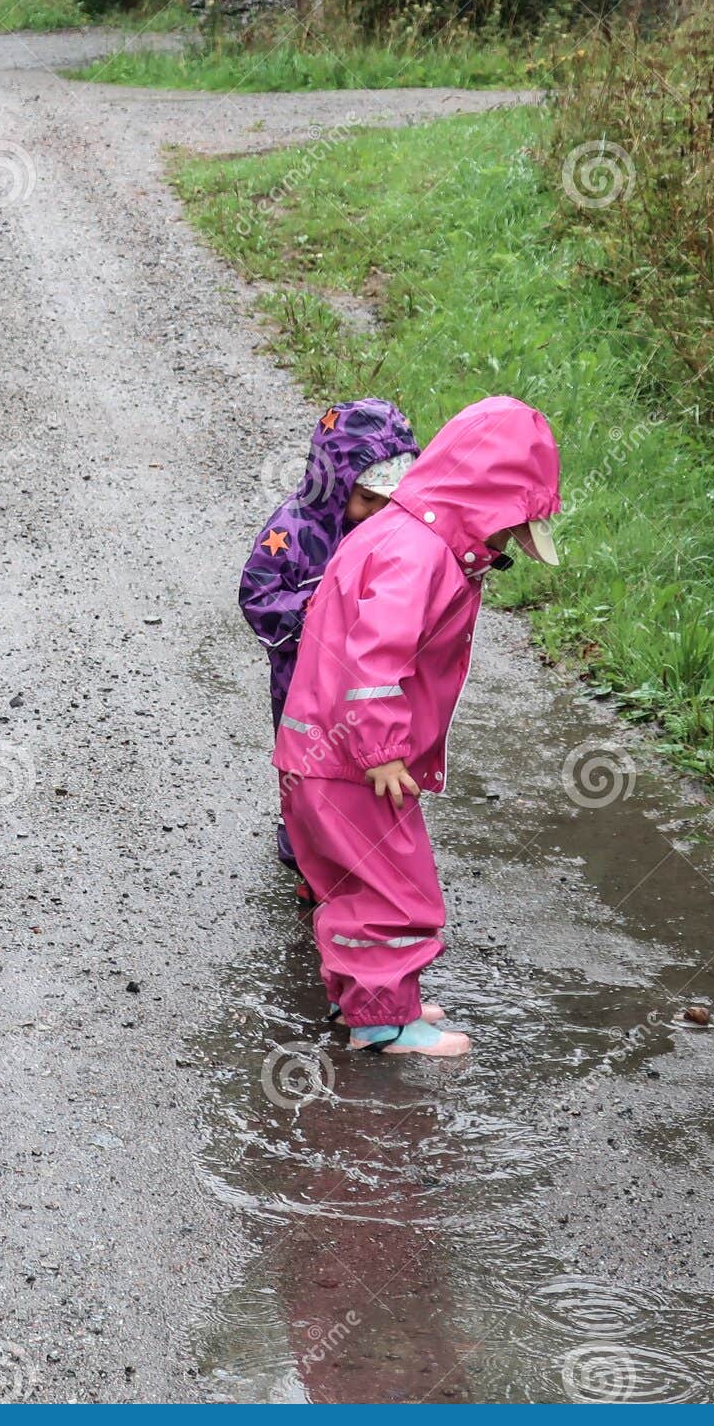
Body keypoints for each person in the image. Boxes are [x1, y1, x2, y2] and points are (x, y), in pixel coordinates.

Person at [273, 396, 563, 1058]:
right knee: (397, 894)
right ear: (485, 503)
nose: (499, 548)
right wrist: (380, 747)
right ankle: (386, 1023)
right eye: (503, 532)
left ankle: (371, 1001)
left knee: (350, 887)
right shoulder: (419, 552)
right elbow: (376, 651)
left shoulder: (398, 532)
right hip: (353, 759)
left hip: (315, 752)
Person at [239, 399, 419, 886]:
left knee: (363, 754)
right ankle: (304, 846)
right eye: (366, 499)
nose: (377, 512)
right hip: (300, 679)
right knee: (304, 761)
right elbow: (258, 594)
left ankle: (354, 842)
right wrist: (314, 613)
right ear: (335, 482)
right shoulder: (293, 529)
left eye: (390, 501)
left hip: (364, 677)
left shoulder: (395, 535)